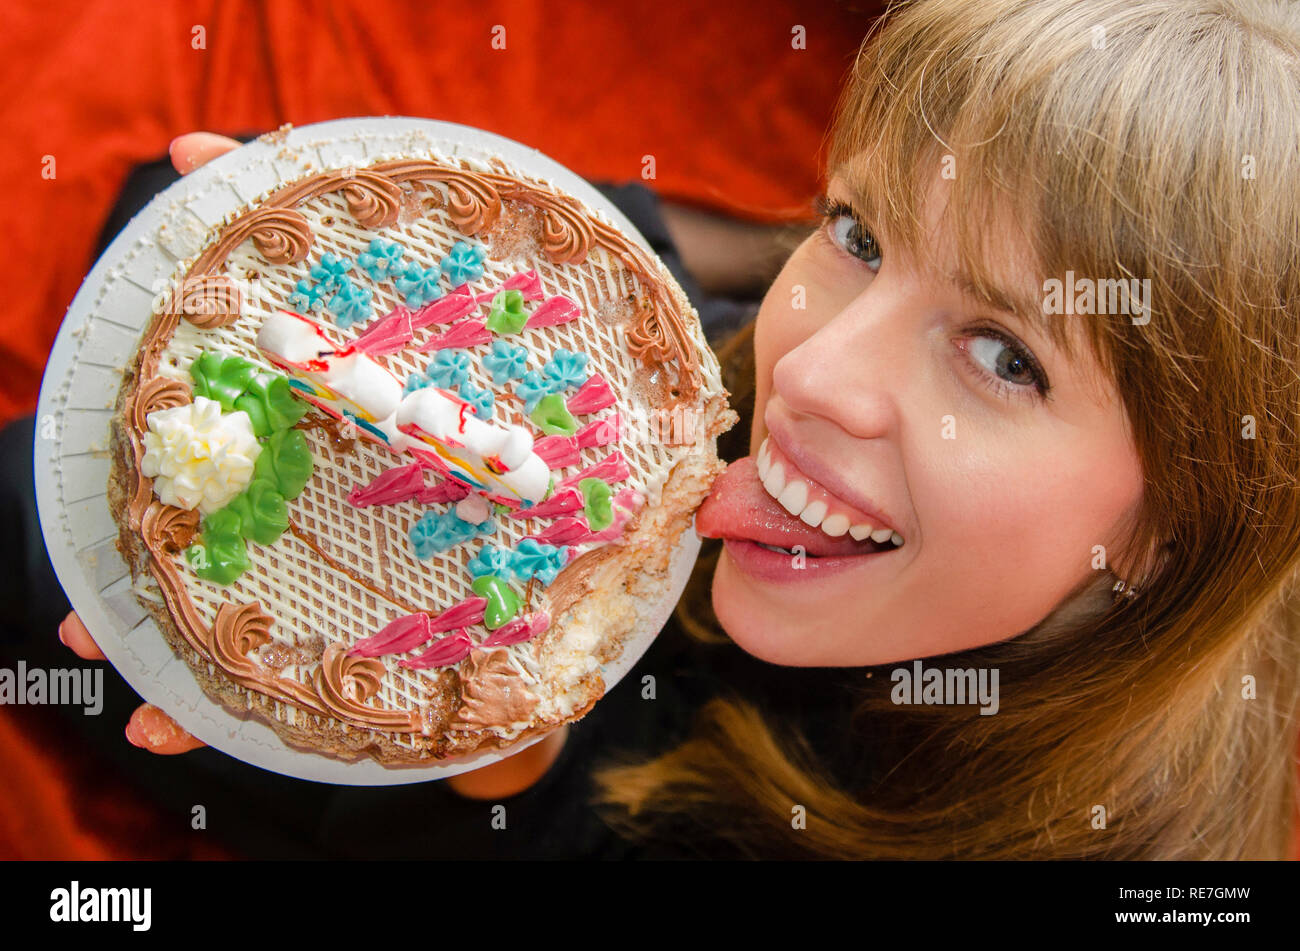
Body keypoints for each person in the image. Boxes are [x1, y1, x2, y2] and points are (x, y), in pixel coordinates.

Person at [54, 0, 1300, 858]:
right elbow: (732, 347)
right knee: (170, 223)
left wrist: (497, 755)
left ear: (1168, 533)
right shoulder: (808, 403)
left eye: (1006, 356)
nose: (805, 370)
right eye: (860, 234)